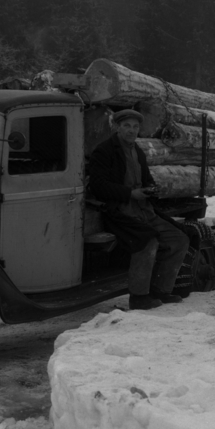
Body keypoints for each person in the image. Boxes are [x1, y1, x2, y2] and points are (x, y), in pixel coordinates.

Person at [87, 109, 191, 310]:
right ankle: (139, 297)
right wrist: (129, 193)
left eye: (135, 127)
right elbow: (98, 185)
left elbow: (146, 179)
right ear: (117, 127)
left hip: (145, 210)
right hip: (119, 212)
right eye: (126, 126)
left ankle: (161, 290)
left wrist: (152, 188)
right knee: (146, 241)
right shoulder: (104, 151)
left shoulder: (138, 151)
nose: (131, 130)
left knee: (178, 239)